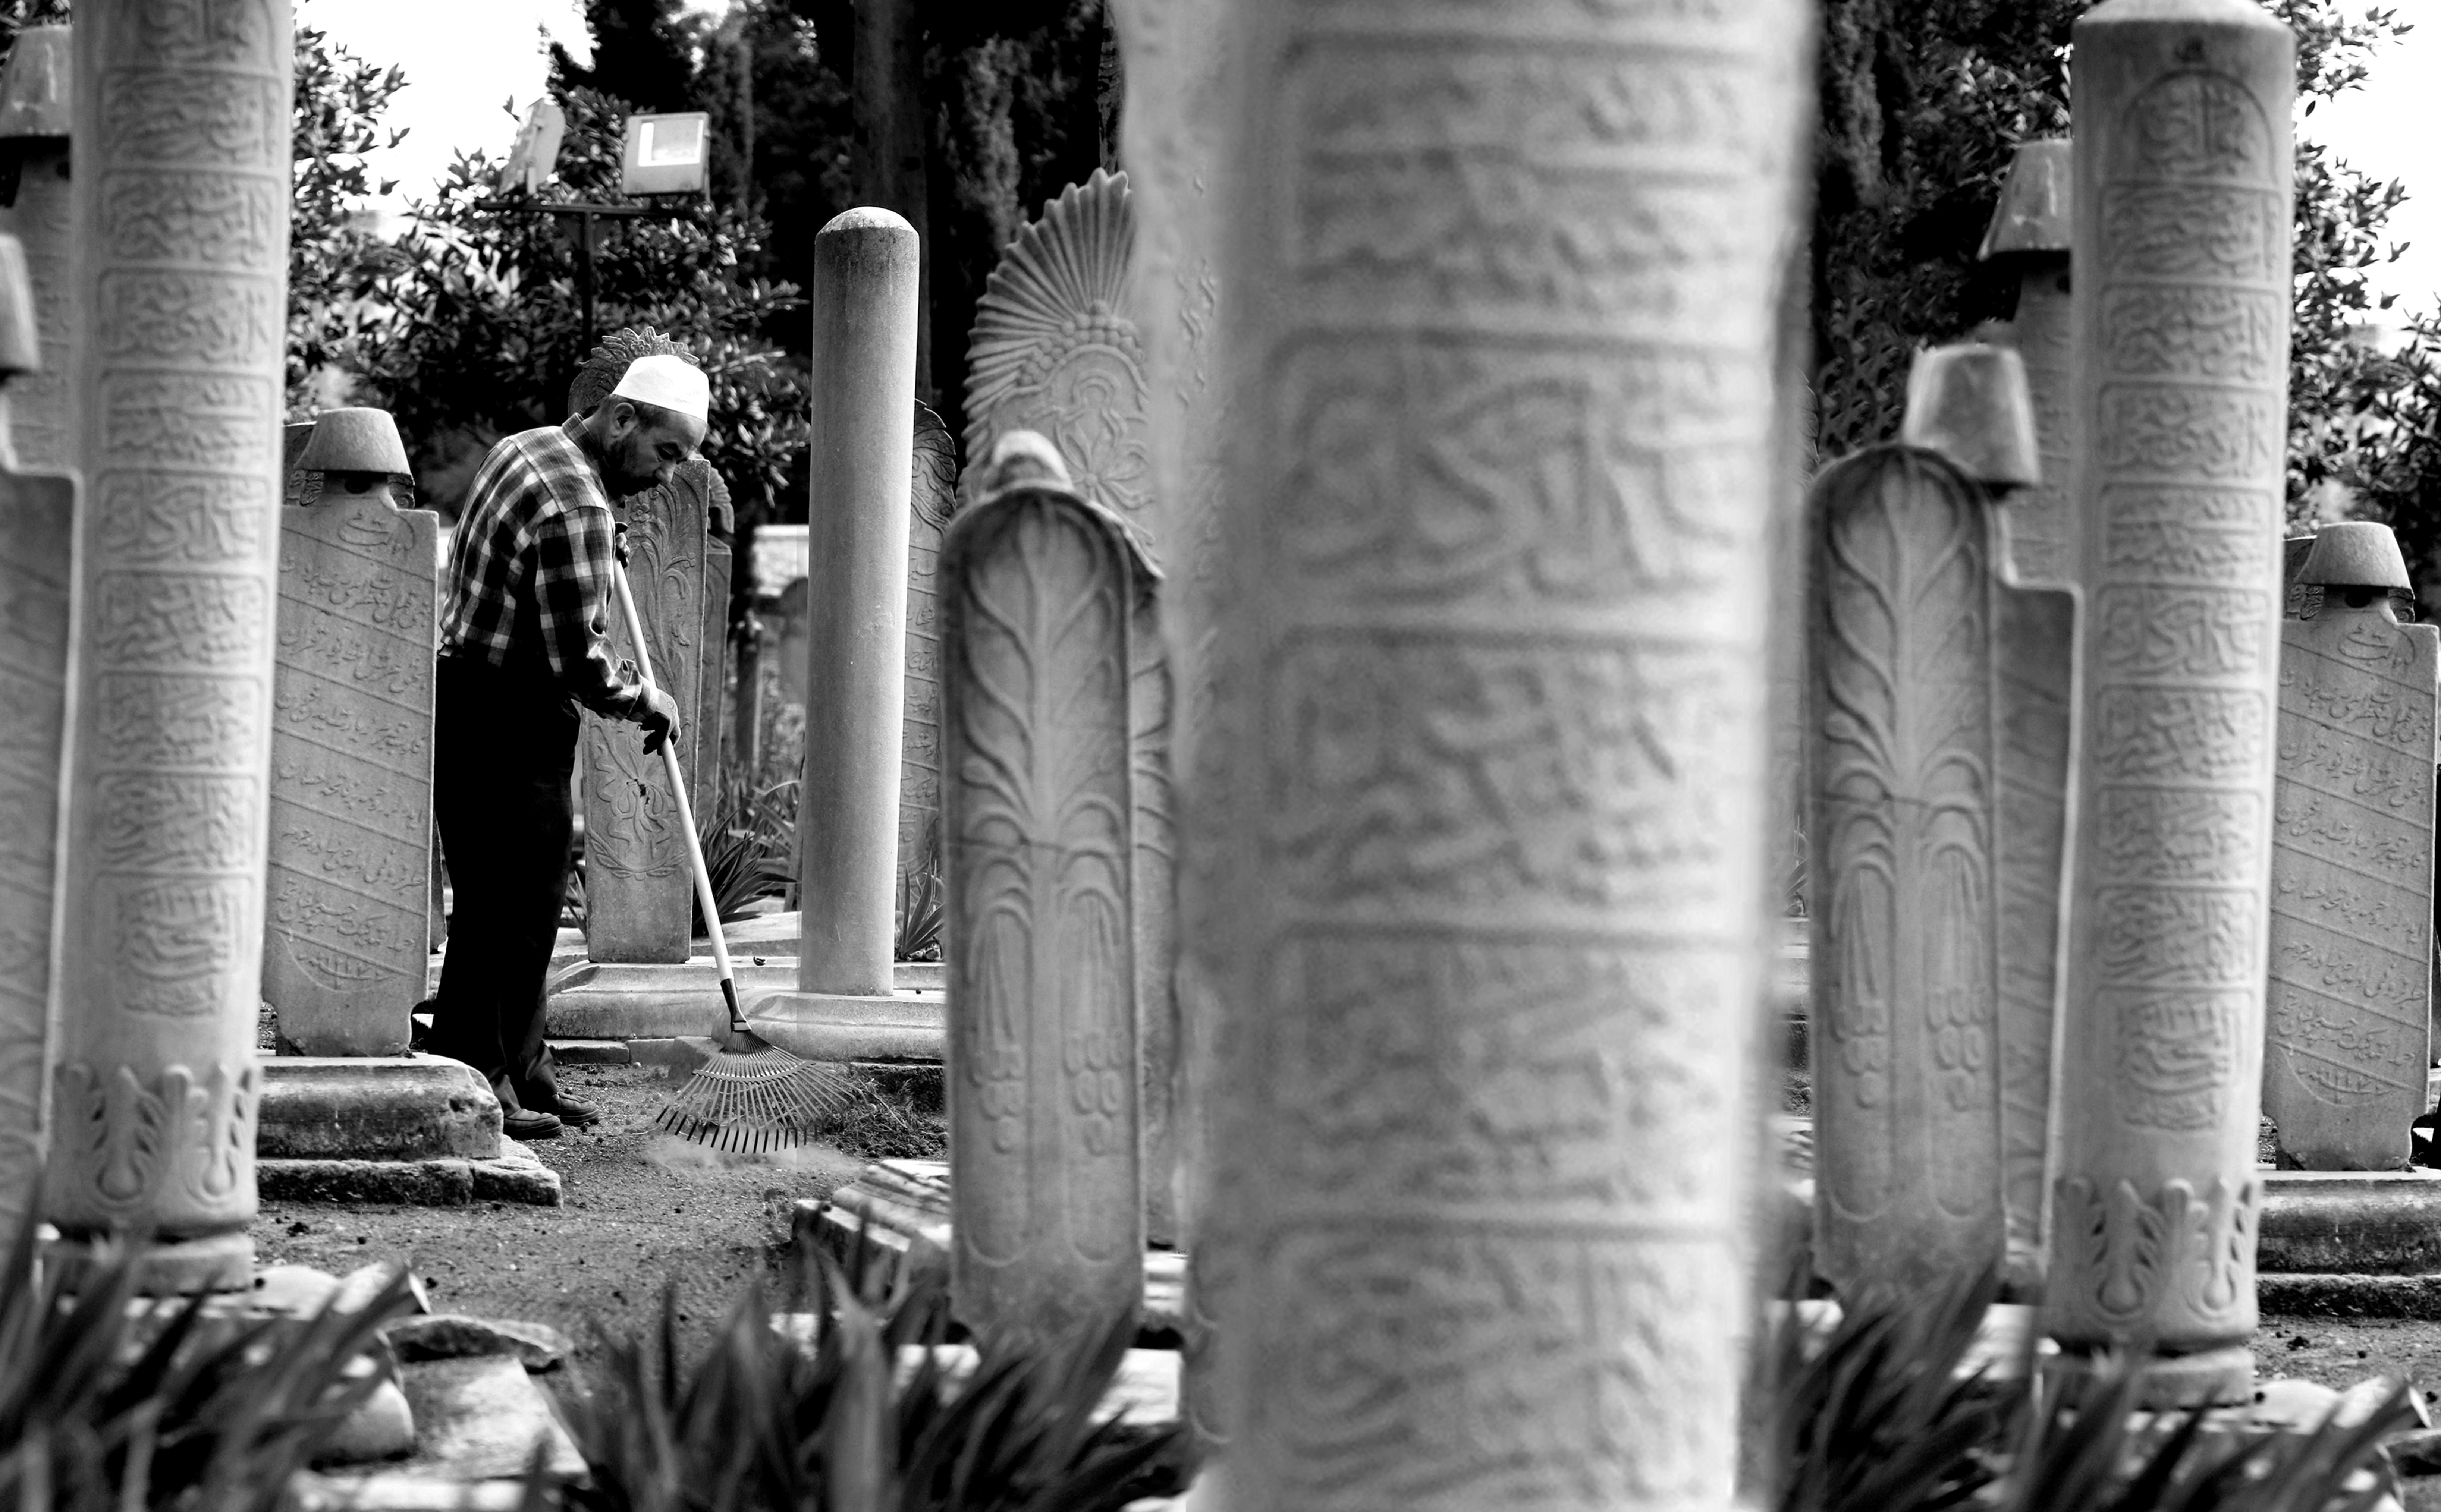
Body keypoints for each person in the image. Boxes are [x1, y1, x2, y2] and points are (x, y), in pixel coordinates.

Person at [427, 351, 706, 1139]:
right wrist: (643, 698)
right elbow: (575, 662)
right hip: (513, 710)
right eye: (668, 452)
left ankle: (527, 1074)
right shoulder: (579, 509)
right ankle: (484, 1085)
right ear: (623, 420)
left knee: (510, 897)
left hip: (467, 693)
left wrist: (604, 538)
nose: (670, 474)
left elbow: (548, 555)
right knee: (512, 905)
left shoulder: (527, 446)